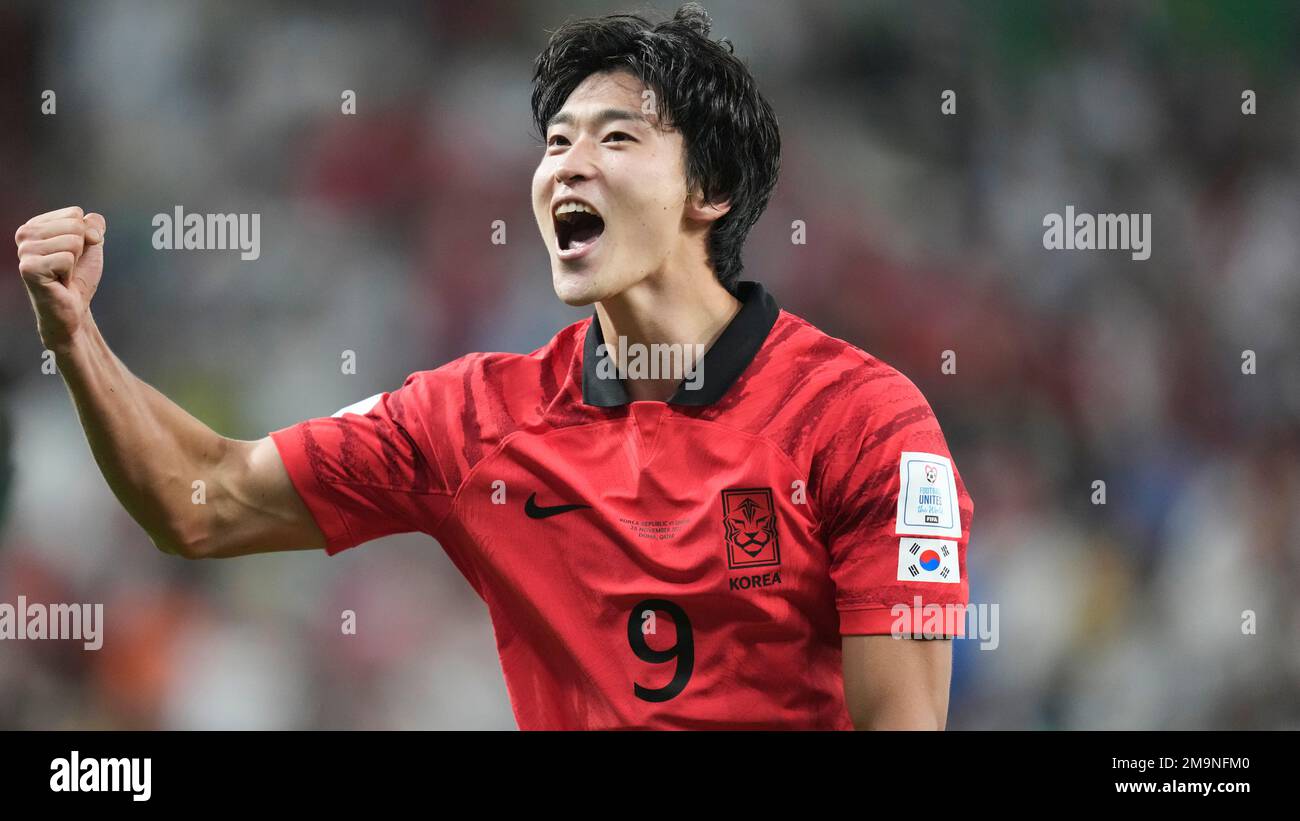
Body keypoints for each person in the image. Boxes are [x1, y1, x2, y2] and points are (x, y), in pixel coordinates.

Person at [13, 4, 972, 730]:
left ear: (710, 189)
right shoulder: (472, 421)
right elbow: (201, 502)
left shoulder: (864, 423)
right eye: (555, 142)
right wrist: (76, 337)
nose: (566, 165)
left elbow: (901, 721)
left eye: (615, 137)